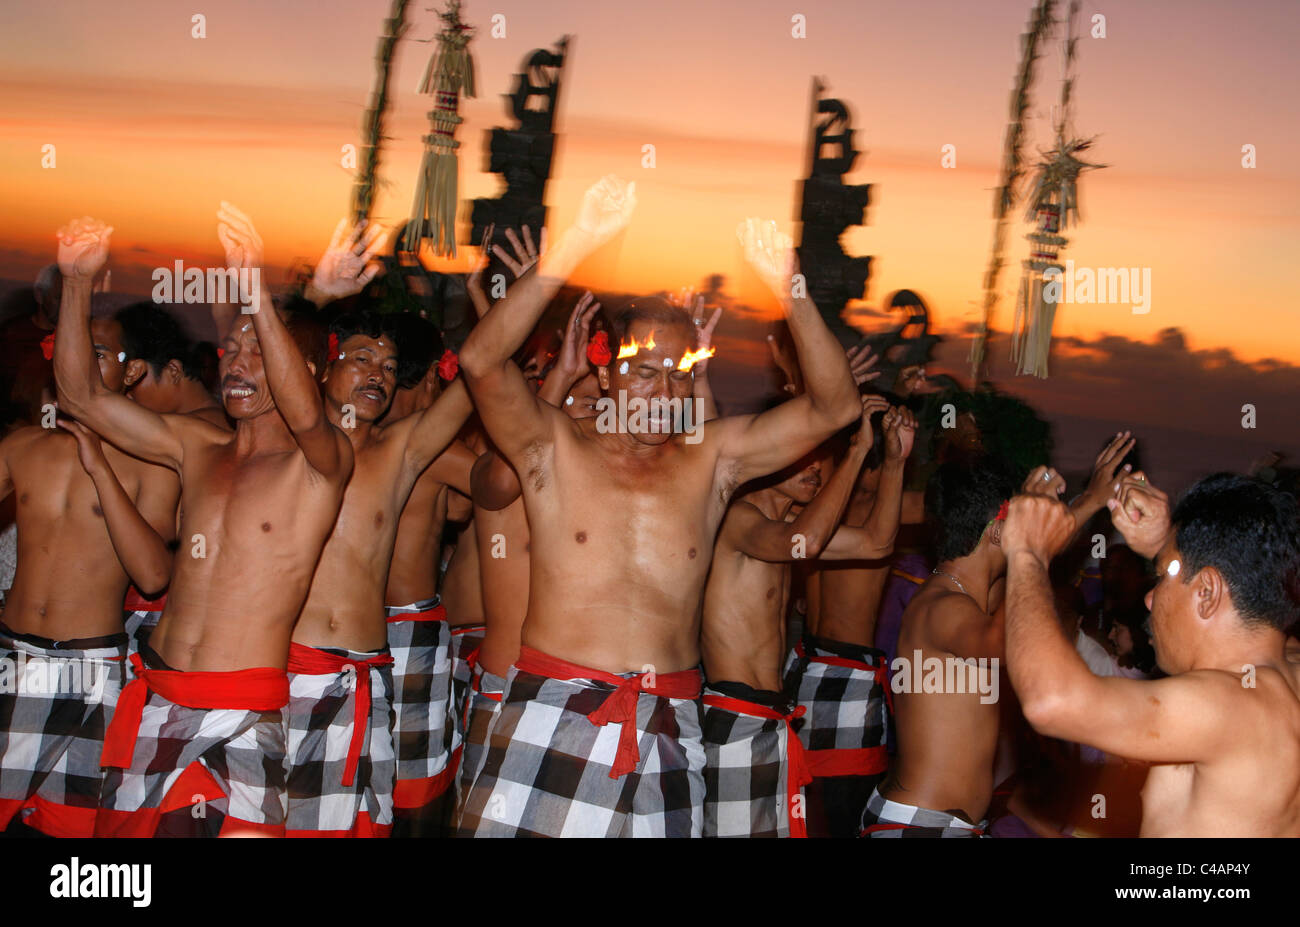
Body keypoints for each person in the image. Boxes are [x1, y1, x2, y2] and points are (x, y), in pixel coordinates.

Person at [456, 177, 861, 837]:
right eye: (646, 369)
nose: (663, 390)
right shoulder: (552, 447)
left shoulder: (712, 461)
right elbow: (481, 359)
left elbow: (835, 408)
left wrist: (792, 292)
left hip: (671, 729)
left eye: (679, 374)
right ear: (609, 371)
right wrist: (576, 244)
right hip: (554, 710)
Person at [54, 208, 354, 837]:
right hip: (160, 690)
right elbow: (81, 397)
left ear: (307, 372)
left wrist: (257, 297)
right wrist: (77, 283)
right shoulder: (197, 445)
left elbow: (305, 419)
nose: (237, 362)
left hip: (243, 708)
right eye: (231, 349)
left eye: (258, 350)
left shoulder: (320, 463)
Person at [283, 219, 476, 838]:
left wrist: (493, 299)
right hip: (289, 667)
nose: (377, 372)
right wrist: (315, 297)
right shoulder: (285, 440)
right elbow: (267, 360)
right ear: (321, 369)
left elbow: (481, 375)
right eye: (360, 357)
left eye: (389, 366)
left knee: (364, 824)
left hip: (370, 668)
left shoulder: (400, 453)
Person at [1003, 471, 1300, 836]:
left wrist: (1026, 552)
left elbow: (1051, 702)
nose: (1149, 597)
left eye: (1160, 579)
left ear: (1206, 592)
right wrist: (1167, 549)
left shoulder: (1229, 703)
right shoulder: (1286, 674)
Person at [0, 243, 179, 837]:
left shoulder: (152, 464)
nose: (77, 359)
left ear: (130, 372)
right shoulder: (21, 447)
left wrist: (101, 466)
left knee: (73, 836)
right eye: (71, 347)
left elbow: (154, 575)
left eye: (97, 352)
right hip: (11, 658)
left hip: (93, 666)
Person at [700, 396, 912, 837]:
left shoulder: (788, 521)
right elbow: (806, 541)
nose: (816, 468)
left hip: (773, 713)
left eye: (822, 457)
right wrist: (855, 452)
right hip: (733, 713)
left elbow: (876, 543)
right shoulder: (736, 518)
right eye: (803, 456)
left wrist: (893, 463)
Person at [862, 459, 1060, 837]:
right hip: (920, 825)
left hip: (937, 823)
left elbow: (1014, 608)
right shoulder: (945, 607)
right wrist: (1030, 548)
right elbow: (1004, 643)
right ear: (999, 531)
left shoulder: (964, 600)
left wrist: (1089, 503)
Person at [379, 310, 476, 835]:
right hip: (411, 626)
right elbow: (485, 495)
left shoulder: (361, 435)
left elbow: (455, 512)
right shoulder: (428, 444)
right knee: (419, 776)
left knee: (361, 771)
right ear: (438, 373)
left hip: (350, 631)